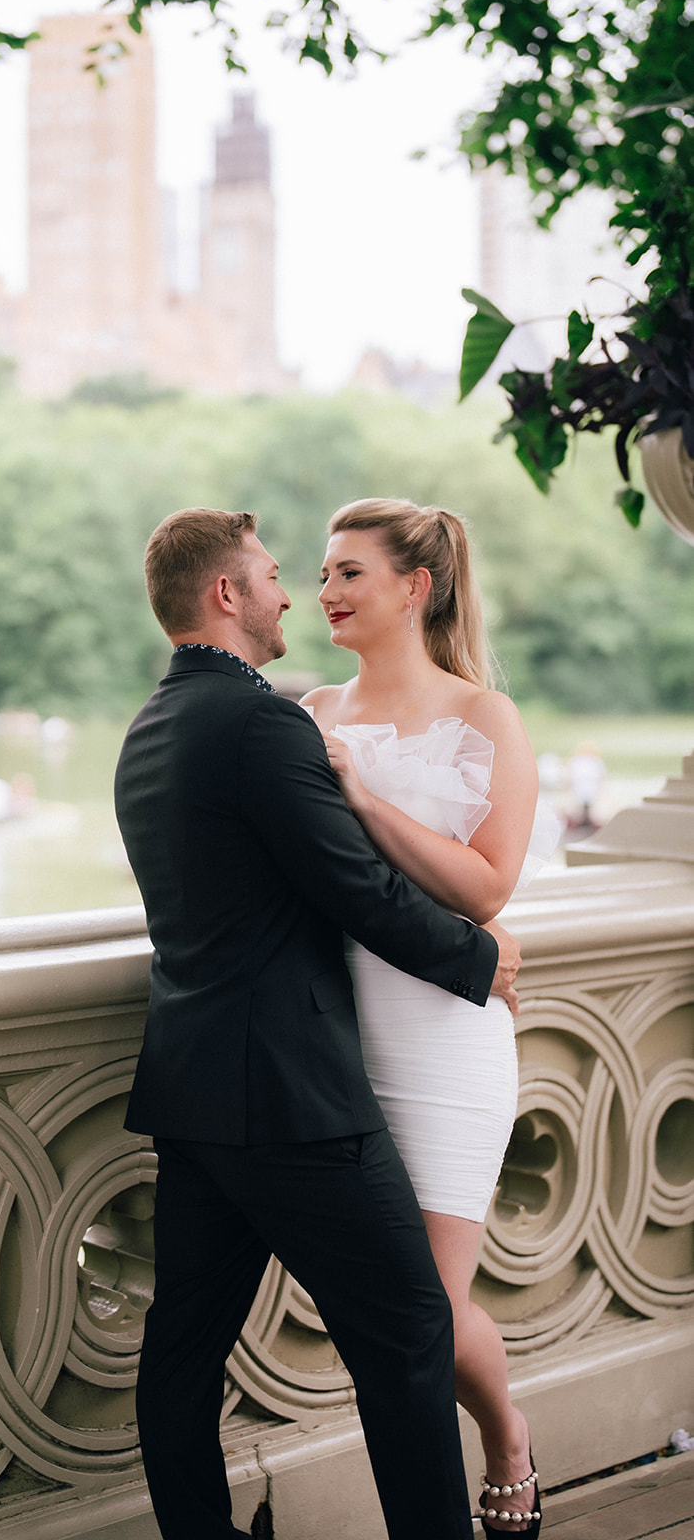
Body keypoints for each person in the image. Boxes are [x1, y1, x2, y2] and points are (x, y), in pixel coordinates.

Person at [114, 507, 522, 1540]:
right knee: (408, 1339)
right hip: (294, 1095)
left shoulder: (149, 727)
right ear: (226, 595)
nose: (289, 591)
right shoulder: (261, 720)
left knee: (180, 1357)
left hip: (195, 1089)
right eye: (271, 574)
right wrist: (480, 957)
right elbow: (353, 890)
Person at [303, 498, 554, 1538]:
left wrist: (364, 799)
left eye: (349, 572)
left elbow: (486, 890)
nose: (324, 592)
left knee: (427, 1310)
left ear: (416, 586)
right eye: (319, 573)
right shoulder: (310, 707)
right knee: (374, 1307)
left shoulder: (483, 715)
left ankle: (502, 1438)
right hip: (330, 1040)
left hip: (448, 1039)